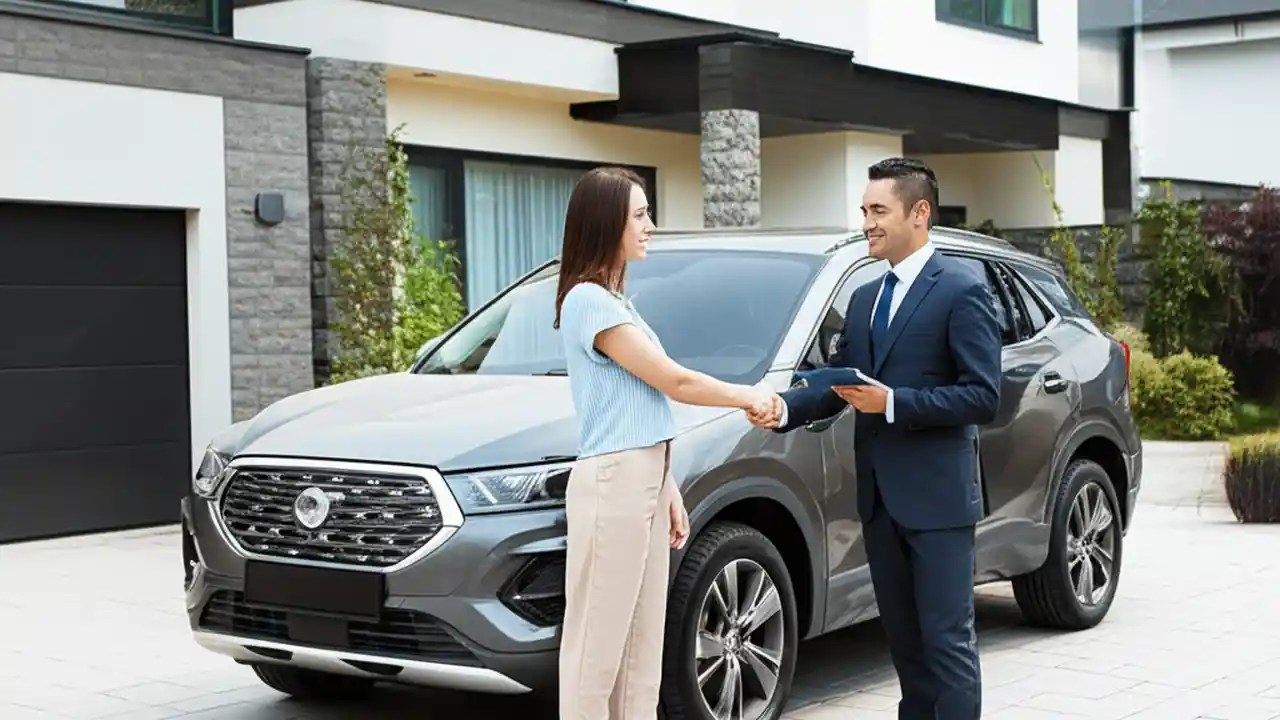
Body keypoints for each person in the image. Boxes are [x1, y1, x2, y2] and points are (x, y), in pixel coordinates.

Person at [749, 158, 1001, 720]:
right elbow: (841, 381)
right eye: (864, 210)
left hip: (937, 504)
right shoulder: (865, 297)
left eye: (878, 211)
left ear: (920, 213)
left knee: (947, 645)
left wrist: (894, 403)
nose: (868, 222)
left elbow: (984, 396)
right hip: (881, 503)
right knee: (906, 648)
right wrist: (783, 406)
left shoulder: (961, 289)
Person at [553, 166, 780, 720]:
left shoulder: (619, 300)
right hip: (613, 483)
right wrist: (747, 396)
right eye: (640, 214)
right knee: (597, 647)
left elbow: (639, 407)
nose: (651, 225)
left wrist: (667, 487)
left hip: (643, 480)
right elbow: (671, 380)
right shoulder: (589, 301)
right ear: (608, 223)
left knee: (639, 645)